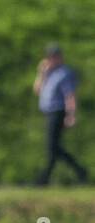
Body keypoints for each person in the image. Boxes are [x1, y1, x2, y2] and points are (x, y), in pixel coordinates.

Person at [34, 45, 87, 185]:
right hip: (49, 113)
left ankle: (43, 179)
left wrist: (71, 115)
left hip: (58, 112)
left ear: (60, 57)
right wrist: (41, 73)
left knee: (52, 147)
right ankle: (80, 171)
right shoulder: (48, 73)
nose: (51, 59)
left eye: (54, 56)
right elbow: (37, 90)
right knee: (55, 147)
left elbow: (70, 96)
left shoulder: (64, 73)